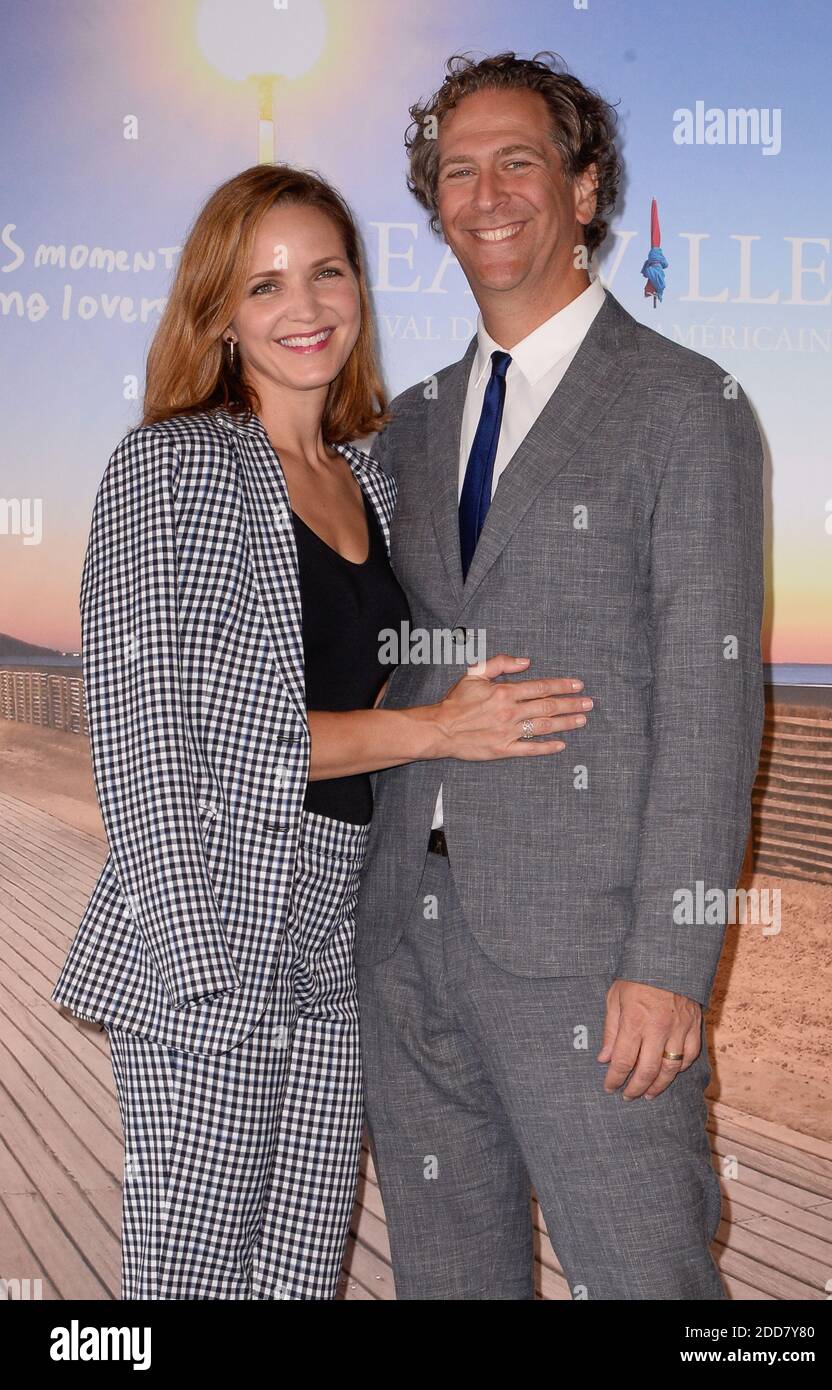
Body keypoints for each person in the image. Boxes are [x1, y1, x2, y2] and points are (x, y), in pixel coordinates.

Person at [50, 163, 592, 1300]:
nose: (304, 308)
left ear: (359, 288)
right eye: (264, 285)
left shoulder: (370, 482)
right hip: (212, 931)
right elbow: (158, 738)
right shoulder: (171, 466)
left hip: (340, 943)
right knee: (192, 1279)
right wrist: (200, 966)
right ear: (220, 313)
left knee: (298, 1273)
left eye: (326, 272)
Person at [354, 51, 765, 1300]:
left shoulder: (687, 405)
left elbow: (711, 702)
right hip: (405, 944)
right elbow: (404, 640)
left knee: (648, 1281)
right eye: (457, 171)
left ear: (585, 191)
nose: (484, 192)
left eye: (517, 160)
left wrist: (669, 964)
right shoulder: (408, 421)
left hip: (593, 960)